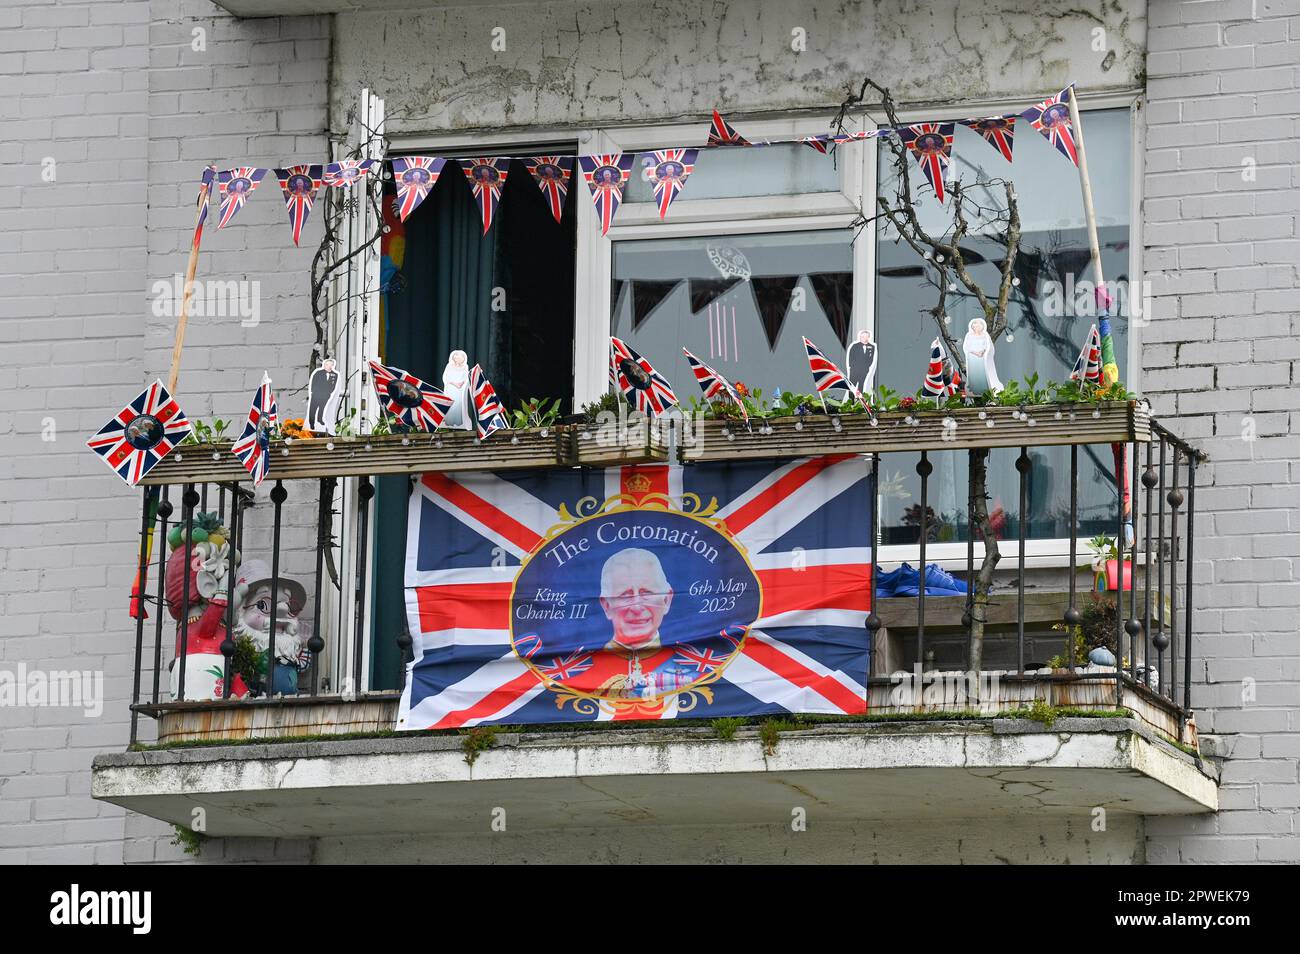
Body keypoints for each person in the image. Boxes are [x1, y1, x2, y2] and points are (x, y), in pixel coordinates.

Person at [598, 548, 674, 652]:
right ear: (606, 606)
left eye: (647, 593)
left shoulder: (685, 664)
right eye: (625, 595)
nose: (636, 607)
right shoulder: (585, 665)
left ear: (666, 600)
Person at [962, 318, 1003, 394]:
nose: (977, 326)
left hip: (981, 358)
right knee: (974, 373)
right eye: (975, 325)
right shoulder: (969, 335)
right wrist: (975, 352)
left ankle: (984, 389)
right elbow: (967, 347)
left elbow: (987, 345)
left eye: (979, 325)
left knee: (981, 372)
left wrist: (983, 351)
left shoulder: (985, 335)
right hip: (972, 358)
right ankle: (974, 389)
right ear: (972, 327)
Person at [307, 357, 340, 433]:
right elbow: (313, 383)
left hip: (326, 395)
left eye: (331, 365)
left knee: (322, 408)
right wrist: (313, 392)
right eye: (327, 365)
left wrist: (329, 392)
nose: (329, 366)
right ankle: (312, 422)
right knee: (313, 409)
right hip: (316, 394)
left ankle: (320, 419)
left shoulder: (335, 375)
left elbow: (333, 385)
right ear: (324, 365)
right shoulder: (318, 373)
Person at [442, 349, 470, 429]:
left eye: (460, 357)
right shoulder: (449, 366)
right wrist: (454, 383)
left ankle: (458, 423)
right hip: (451, 388)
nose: (458, 358)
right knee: (451, 404)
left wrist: (461, 383)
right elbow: (445, 377)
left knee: (458, 405)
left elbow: (466, 377)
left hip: (460, 390)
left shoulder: (465, 367)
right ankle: (448, 422)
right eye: (456, 356)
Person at [846, 329, 877, 397]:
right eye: (861, 336)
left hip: (864, 370)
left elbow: (871, 359)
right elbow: (851, 357)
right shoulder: (855, 346)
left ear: (868, 337)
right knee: (852, 385)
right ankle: (851, 401)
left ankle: (859, 402)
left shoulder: (872, 347)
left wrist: (867, 367)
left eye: (864, 337)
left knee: (861, 385)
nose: (862, 338)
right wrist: (853, 367)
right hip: (854, 370)